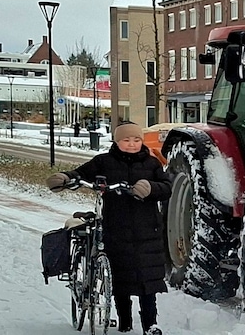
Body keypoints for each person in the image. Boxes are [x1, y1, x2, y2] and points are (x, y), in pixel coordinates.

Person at [46, 121, 170, 335]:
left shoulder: (151, 163)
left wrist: (150, 188)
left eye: (136, 140)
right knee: (119, 278)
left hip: (147, 230)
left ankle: (151, 324)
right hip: (115, 227)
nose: (132, 144)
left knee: (147, 281)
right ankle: (125, 323)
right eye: (126, 140)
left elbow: (167, 187)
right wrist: (66, 178)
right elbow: (81, 173)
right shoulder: (103, 162)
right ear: (116, 141)